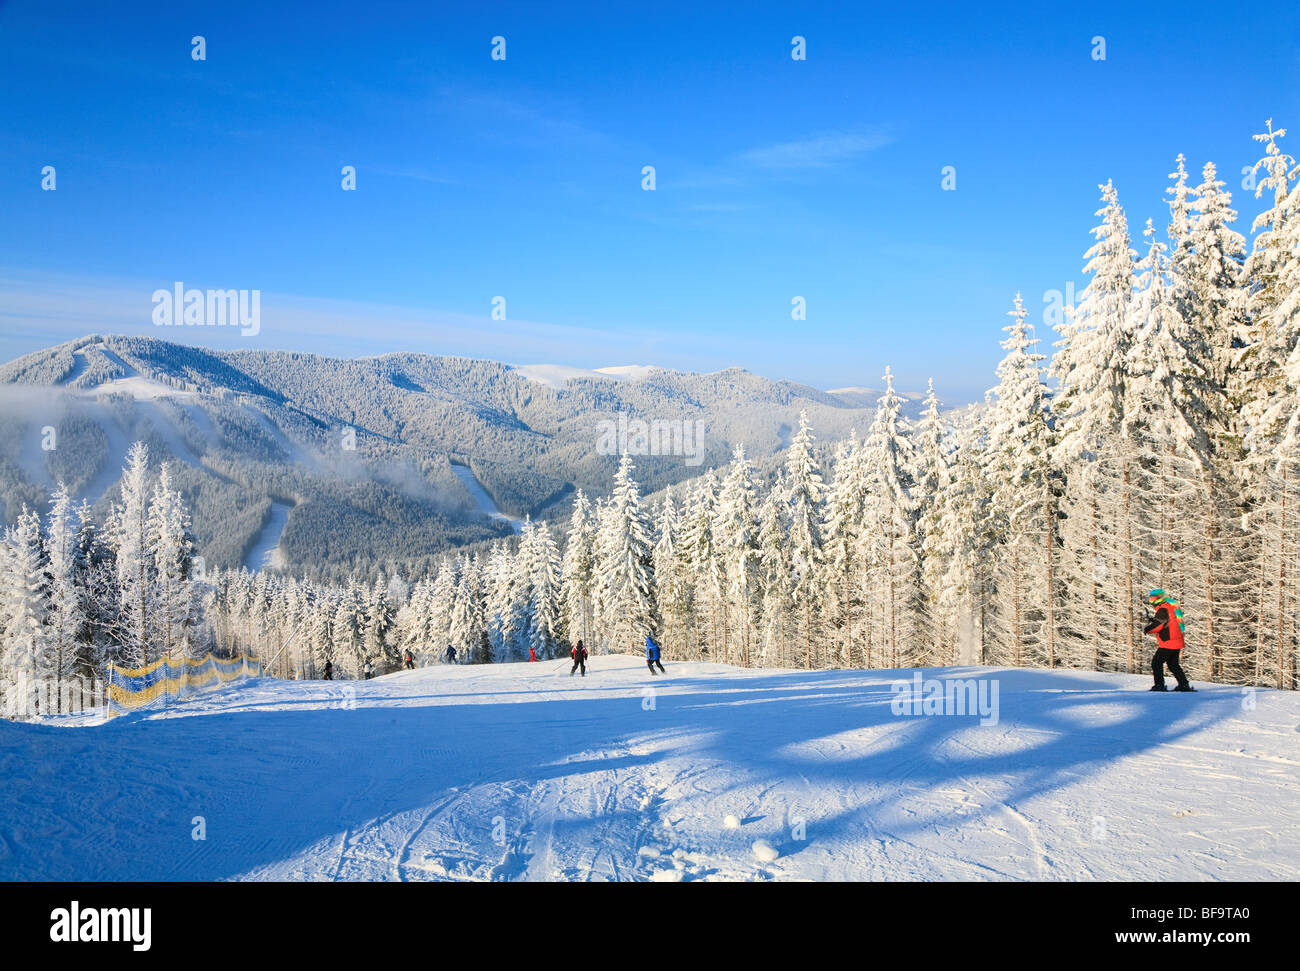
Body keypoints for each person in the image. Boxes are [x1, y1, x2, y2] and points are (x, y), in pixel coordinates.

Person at [1144, 589, 1194, 692]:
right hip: (1177, 641)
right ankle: (1184, 685)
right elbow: (1167, 622)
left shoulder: (1163, 610)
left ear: (1158, 599)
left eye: (1152, 598)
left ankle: (1159, 685)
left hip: (1169, 642)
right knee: (1173, 665)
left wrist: (1147, 629)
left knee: (1156, 662)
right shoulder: (1170, 607)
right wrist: (1154, 621)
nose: (1151, 601)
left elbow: (1158, 625)